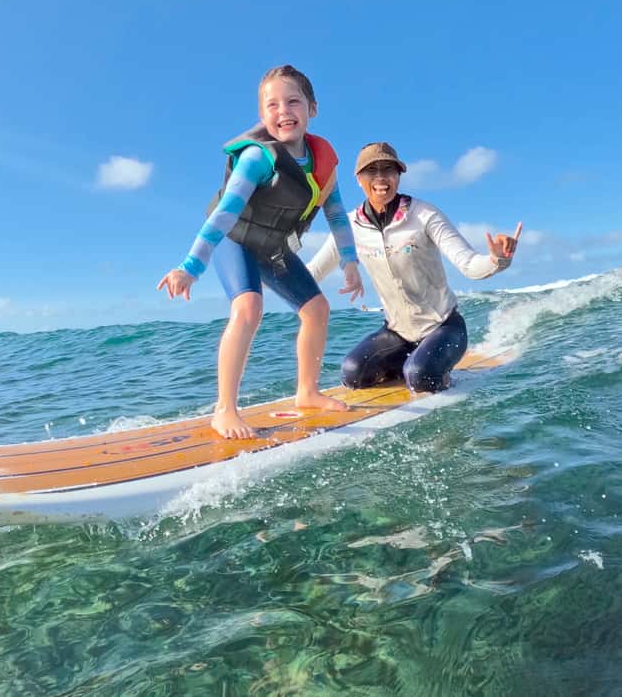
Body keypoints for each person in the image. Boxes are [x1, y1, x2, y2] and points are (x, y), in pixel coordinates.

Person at [157, 65, 363, 439]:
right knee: (248, 308)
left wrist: (350, 262)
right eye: (272, 105)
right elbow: (224, 215)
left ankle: (307, 392)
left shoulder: (324, 163)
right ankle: (224, 410)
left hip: (272, 246)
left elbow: (335, 214)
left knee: (317, 310)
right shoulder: (257, 158)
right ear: (262, 114)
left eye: (293, 101)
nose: (283, 111)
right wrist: (190, 267)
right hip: (235, 238)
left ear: (313, 108)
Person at [307, 141, 521, 394]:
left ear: (399, 175)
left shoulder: (425, 215)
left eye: (389, 169)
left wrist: (497, 259)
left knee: (420, 376)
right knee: (353, 374)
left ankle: (428, 371)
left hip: (444, 327)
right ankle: (412, 364)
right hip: (398, 333)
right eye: (371, 170)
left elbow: (469, 265)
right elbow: (313, 272)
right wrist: (268, 272)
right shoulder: (350, 227)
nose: (380, 177)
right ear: (358, 178)